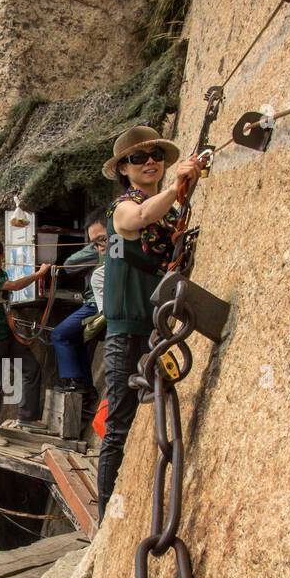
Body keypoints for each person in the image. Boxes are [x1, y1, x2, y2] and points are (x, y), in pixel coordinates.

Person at [97, 125, 204, 520]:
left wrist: (178, 192)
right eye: (139, 158)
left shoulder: (168, 210)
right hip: (128, 331)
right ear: (124, 169)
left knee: (145, 412)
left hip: (156, 328)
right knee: (119, 424)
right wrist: (176, 187)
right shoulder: (121, 209)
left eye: (156, 156)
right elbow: (139, 216)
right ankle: (106, 514)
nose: (150, 162)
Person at [0, 237, 48, 447]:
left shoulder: (0, 273)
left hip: (6, 334)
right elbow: (15, 286)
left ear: (2, 258)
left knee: (32, 368)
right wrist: (39, 274)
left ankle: (26, 417)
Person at [49, 210, 107, 405]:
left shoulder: (102, 248)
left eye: (101, 240)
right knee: (75, 338)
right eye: (96, 242)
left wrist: (92, 248)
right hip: (96, 302)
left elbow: (69, 265)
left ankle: (76, 381)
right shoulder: (115, 246)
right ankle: (86, 387)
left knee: (59, 334)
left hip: (95, 305)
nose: (100, 246)